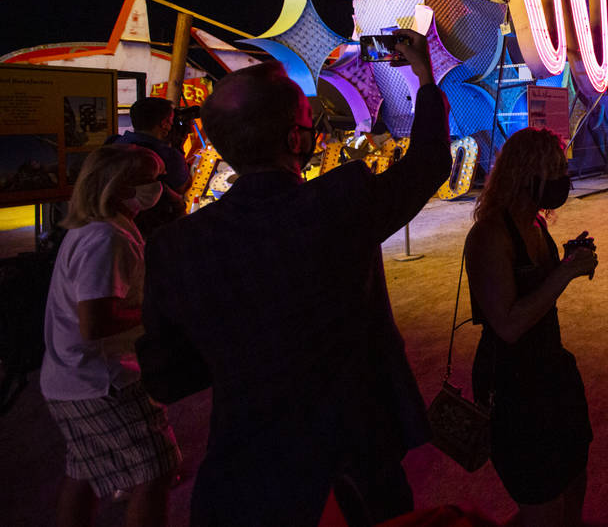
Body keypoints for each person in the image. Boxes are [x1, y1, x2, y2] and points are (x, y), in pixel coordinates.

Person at [136, 32, 451, 526]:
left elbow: (166, 376)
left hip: (244, 477)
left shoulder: (176, 246)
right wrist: (426, 78)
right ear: (294, 140)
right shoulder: (339, 202)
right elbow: (429, 162)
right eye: (309, 126)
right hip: (351, 464)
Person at [40, 144, 181, 526]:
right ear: (119, 186)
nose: (159, 188)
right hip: (101, 381)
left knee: (84, 470)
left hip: (70, 377)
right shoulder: (106, 238)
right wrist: (160, 313)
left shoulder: (97, 227)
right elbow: (96, 322)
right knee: (155, 469)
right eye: (151, 180)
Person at [465, 127, 598, 526]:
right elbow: (507, 324)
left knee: (574, 485)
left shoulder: (536, 224)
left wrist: (566, 260)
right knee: (543, 507)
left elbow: (538, 291)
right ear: (526, 176)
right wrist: (565, 274)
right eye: (554, 171)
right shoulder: (489, 235)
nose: (563, 180)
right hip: (514, 387)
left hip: (553, 372)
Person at [107, 96, 190, 237]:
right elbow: (182, 187)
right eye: (170, 120)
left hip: (113, 221)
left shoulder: (114, 143)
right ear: (164, 123)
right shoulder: (167, 155)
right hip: (152, 231)